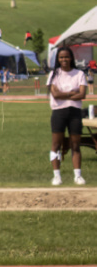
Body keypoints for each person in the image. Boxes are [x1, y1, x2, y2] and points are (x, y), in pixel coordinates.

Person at [48, 46, 88, 186]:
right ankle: (56, 176)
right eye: (61, 57)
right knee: (56, 145)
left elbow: (82, 94)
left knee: (75, 144)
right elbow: (55, 94)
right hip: (59, 112)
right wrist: (71, 93)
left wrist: (64, 94)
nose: (64, 59)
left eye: (66, 57)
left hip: (75, 112)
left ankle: (77, 175)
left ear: (71, 58)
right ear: (58, 59)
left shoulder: (79, 74)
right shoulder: (54, 74)